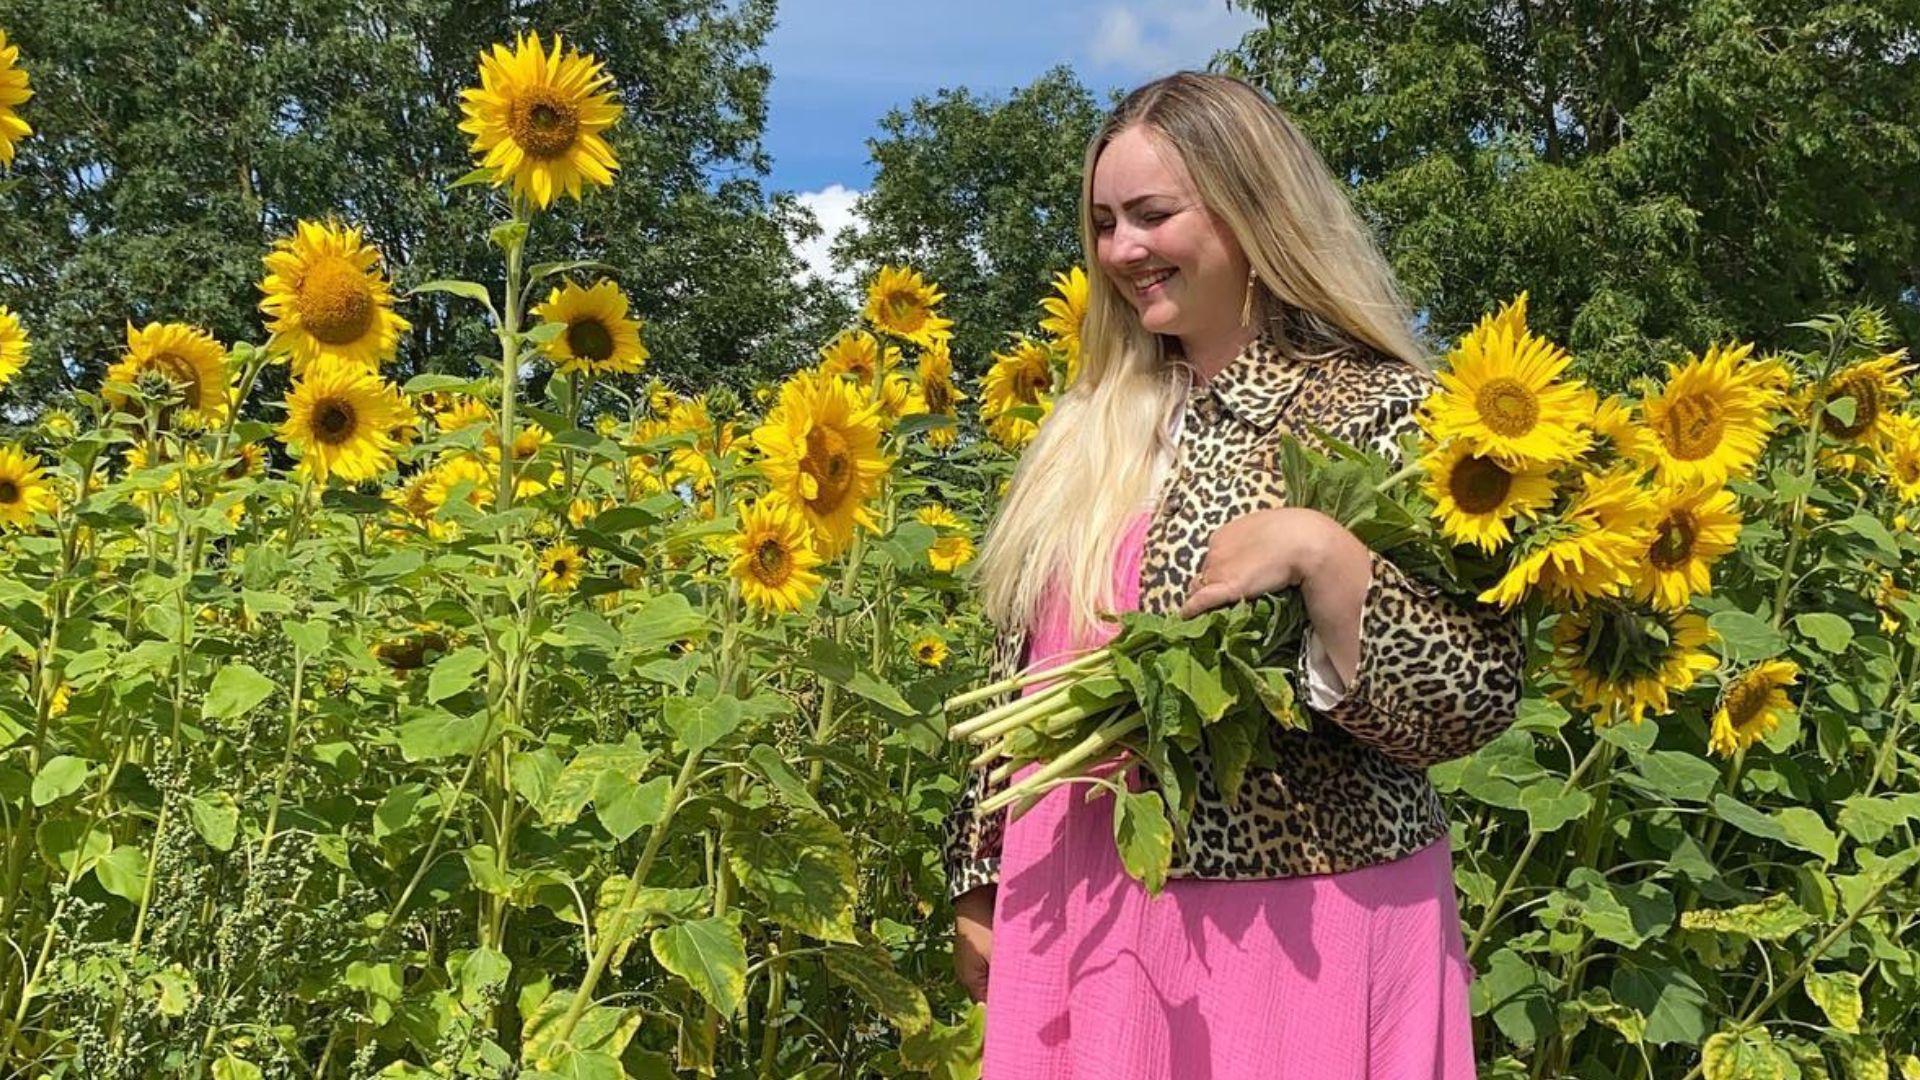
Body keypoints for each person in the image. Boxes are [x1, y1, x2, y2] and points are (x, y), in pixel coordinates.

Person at [942, 72, 1525, 1078]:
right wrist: (977, 869)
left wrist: (1325, 555)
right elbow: (1022, 675)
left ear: (1253, 210)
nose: (1122, 251)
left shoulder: (1383, 410)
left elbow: (1469, 700)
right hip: (1073, 896)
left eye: (1152, 215)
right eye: (1104, 224)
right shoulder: (1089, 422)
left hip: (1287, 926)